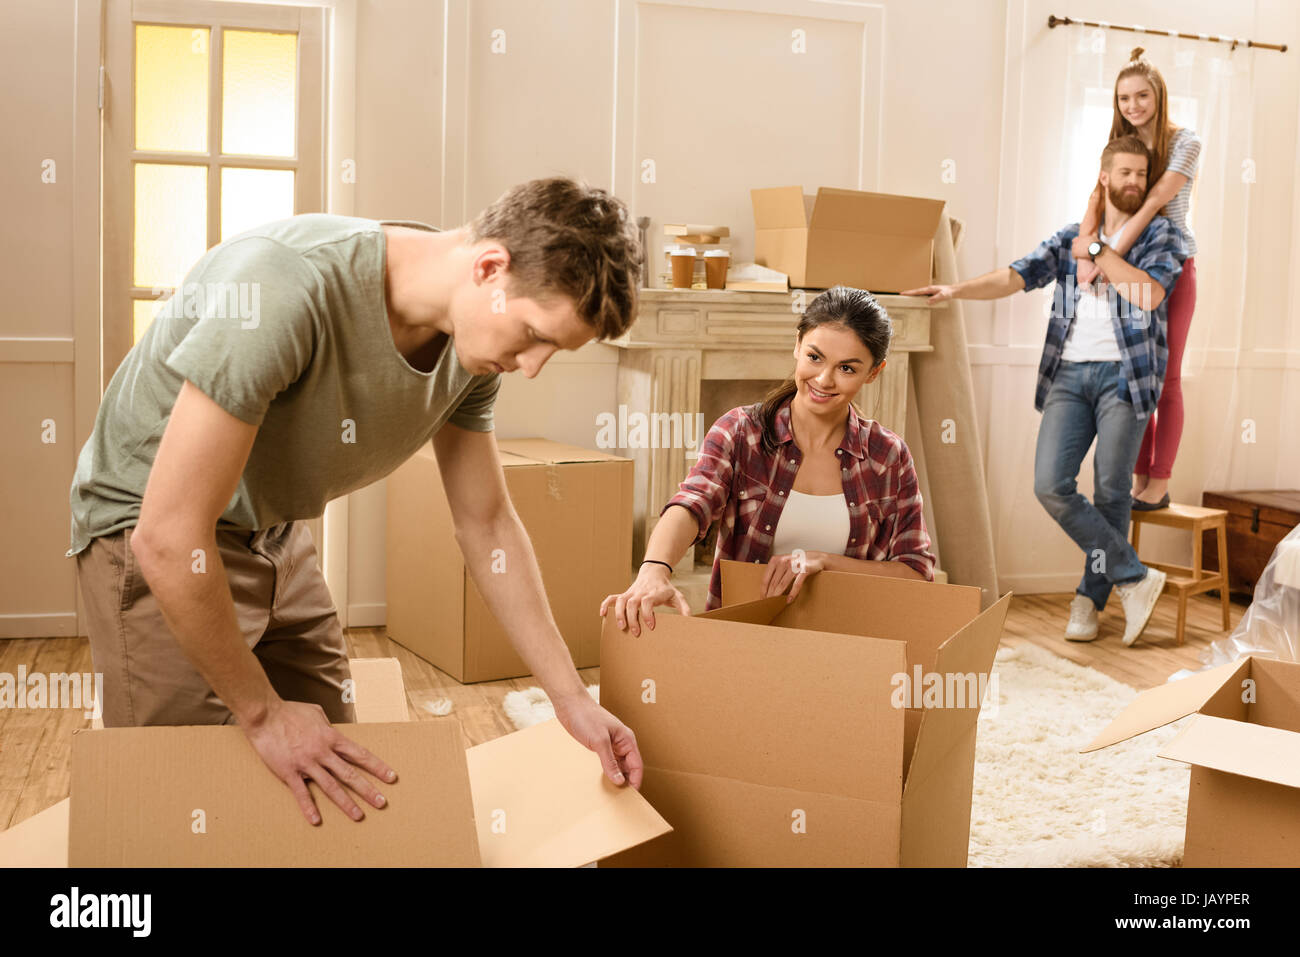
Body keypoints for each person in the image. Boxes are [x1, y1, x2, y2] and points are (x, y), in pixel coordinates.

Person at [67, 177, 646, 824]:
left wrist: (570, 698)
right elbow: (168, 536)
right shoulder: (285, 288)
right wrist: (262, 713)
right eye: (535, 335)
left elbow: (487, 525)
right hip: (150, 532)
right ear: (490, 267)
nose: (533, 366)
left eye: (554, 351)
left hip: (275, 530)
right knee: (189, 804)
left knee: (343, 773)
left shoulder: (472, 348)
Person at [904, 136, 1187, 646]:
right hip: (1069, 375)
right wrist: (955, 290)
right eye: (1123, 173)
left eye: (1141, 176)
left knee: (1111, 493)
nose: (1133, 183)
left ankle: (1088, 600)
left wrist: (1099, 250)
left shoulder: (1161, 235)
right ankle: (1135, 576)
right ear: (1104, 177)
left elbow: (1147, 295)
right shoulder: (1068, 238)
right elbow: (1016, 276)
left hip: (1126, 376)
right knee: (1050, 485)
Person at [601, 285, 936, 636]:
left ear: (873, 372)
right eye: (815, 357)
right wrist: (654, 569)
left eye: (847, 368)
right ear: (797, 345)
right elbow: (692, 503)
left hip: (848, 645)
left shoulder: (888, 456)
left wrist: (824, 561)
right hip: (745, 640)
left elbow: (916, 572)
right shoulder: (741, 432)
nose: (823, 379)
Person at [1076, 48, 1201, 511]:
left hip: (1171, 265)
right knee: (1135, 374)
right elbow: (1096, 200)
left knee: (1167, 378)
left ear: (1158, 95)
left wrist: (1104, 257)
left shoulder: (1185, 142)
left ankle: (1159, 483)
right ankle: (1138, 476)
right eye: (1124, 98)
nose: (1133, 106)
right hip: (1126, 268)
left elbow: (1151, 205)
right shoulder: (1120, 146)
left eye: (1141, 96)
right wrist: (1089, 251)